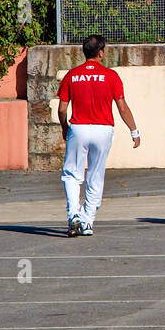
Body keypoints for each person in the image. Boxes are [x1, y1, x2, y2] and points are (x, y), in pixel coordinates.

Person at [57, 34, 140, 236]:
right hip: (103, 130)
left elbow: (61, 108)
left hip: (79, 128)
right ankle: (87, 222)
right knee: (96, 175)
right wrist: (134, 130)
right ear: (101, 52)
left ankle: (73, 215)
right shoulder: (111, 76)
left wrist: (64, 127)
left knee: (72, 174)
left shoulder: (72, 75)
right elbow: (122, 108)